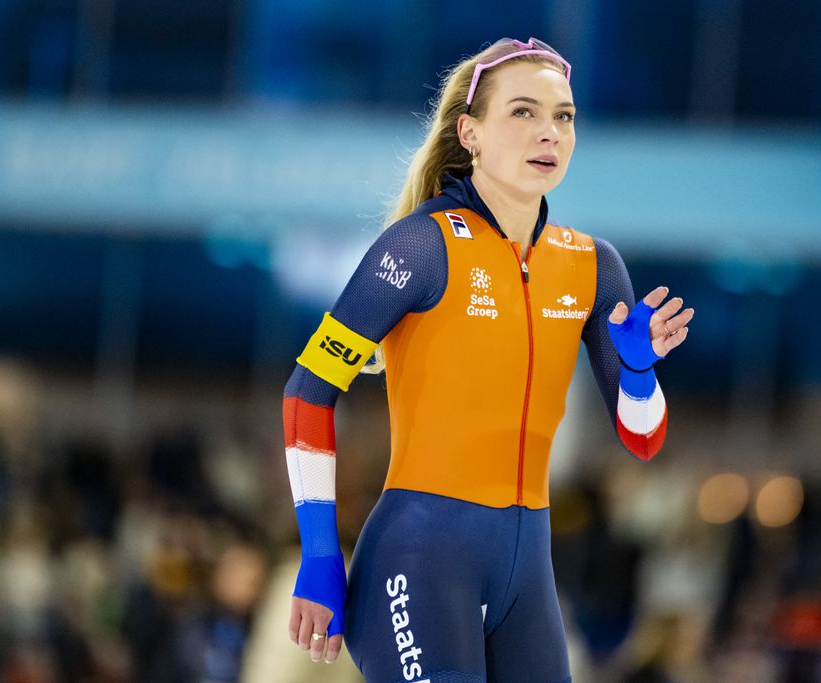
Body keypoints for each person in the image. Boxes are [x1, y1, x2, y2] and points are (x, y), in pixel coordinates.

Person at [282, 37, 694, 682]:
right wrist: (318, 555)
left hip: (525, 567)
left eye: (564, 115)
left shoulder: (593, 266)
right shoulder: (420, 247)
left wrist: (639, 372)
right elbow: (307, 393)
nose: (549, 132)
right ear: (470, 133)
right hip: (417, 556)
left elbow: (642, 440)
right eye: (524, 112)